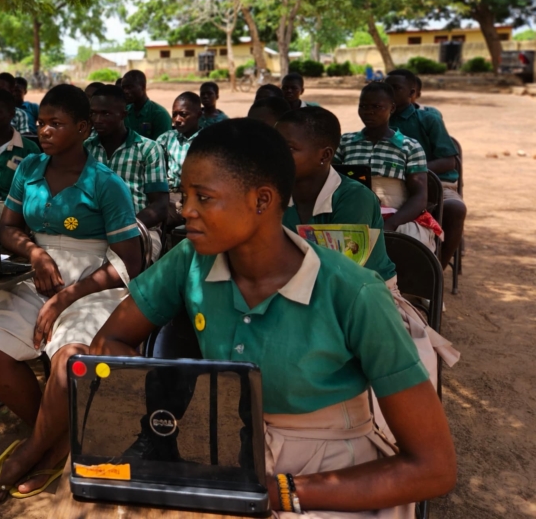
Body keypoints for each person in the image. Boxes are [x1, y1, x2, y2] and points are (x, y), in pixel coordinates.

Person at [92, 118, 456, 518]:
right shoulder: (191, 261)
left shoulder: (354, 294)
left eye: (204, 197)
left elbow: (432, 468)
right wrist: (161, 418)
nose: (185, 210)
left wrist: (279, 491)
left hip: (329, 475)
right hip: (226, 455)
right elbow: (109, 341)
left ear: (262, 201)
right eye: (185, 194)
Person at [0, 85, 143, 505]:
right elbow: (8, 227)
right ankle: (56, 438)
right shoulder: (29, 167)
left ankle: (32, 452)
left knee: (69, 363)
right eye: (41, 122)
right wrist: (35, 253)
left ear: (83, 129)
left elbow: (129, 262)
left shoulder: (105, 183)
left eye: (56, 124)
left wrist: (65, 299)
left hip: (93, 283)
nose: (44, 131)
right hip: (37, 275)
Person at [276, 107, 458, 401]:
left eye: (289, 149)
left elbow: (340, 278)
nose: (275, 155)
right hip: (297, 293)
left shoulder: (354, 198)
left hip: (362, 301)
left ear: (325, 155)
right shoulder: (273, 194)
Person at [334, 82, 440, 252]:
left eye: (376, 106)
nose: (368, 111)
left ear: (392, 108)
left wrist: (391, 224)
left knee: (412, 246)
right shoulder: (344, 142)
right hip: (351, 213)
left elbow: (419, 196)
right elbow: (331, 180)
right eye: (363, 106)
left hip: (397, 217)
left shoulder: (410, 146)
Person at [387, 70, 465, 268]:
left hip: (436, 184)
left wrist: (415, 170)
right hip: (391, 185)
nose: (389, 92)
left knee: (455, 208)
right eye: (386, 88)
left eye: (396, 88)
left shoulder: (428, 119)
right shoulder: (380, 117)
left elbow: (449, 161)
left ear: (412, 93)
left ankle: (436, 271)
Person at [87, 85, 170, 258]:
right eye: (93, 113)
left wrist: (125, 229)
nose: (97, 119)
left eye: (105, 113)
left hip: (139, 229)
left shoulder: (148, 149)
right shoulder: (85, 148)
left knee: (126, 265)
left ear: (124, 114)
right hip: (93, 231)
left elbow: (160, 205)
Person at [121, 69, 172, 140]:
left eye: (130, 87)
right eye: (123, 88)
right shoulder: (124, 112)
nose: (125, 91)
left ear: (143, 87)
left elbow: (162, 144)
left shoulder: (159, 114)